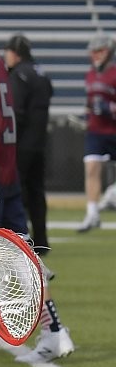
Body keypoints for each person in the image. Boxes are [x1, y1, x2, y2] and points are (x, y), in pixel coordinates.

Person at [4, 34, 53, 251]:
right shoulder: (41, 73)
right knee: (37, 192)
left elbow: (16, 111)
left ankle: (20, 237)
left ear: (15, 53)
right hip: (40, 142)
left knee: (19, 191)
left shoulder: (19, 74)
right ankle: (41, 240)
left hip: (21, 143)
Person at [80, 34, 116, 233]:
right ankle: (92, 213)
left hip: (113, 129)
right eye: (93, 51)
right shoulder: (90, 75)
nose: (95, 55)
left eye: (99, 51)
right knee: (91, 168)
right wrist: (87, 116)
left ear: (109, 52)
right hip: (96, 131)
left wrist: (109, 108)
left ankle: (112, 193)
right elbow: (89, 104)